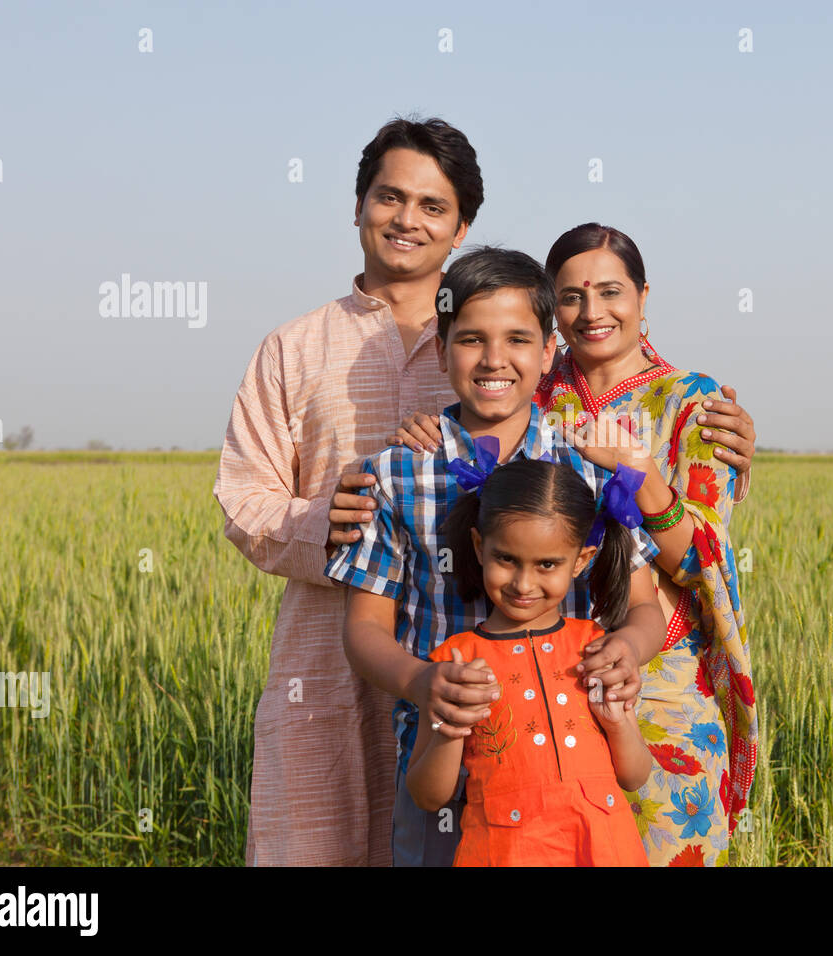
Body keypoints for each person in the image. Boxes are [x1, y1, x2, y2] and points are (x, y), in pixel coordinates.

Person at [370, 224, 759, 866]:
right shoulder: (546, 400)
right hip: (538, 693)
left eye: (611, 291)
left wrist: (638, 473)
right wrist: (423, 431)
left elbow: (698, 559)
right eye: (571, 296)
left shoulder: (695, 403)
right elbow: (482, 405)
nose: (592, 311)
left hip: (649, 676)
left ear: (643, 295)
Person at [323, 246, 667, 866]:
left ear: (547, 352)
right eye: (471, 339)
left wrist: (627, 650)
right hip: (442, 768)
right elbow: (364, 629)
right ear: (441, 347)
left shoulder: (590, 470)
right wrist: (423, 681)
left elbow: (644, 608)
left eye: (517, 339)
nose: (494, 360)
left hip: (572, 780)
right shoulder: (396, 476)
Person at [211, 116, 486, 865]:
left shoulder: (490, 345)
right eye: (389, 197)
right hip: (322, 663)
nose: (407, 219)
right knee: (314, 844)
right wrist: (323, 518)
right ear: (358, 204)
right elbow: (244, 497)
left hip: (458, 659)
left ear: (462, 227)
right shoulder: (292, 348)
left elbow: (580, 426)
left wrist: (709, 419)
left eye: (433, 206)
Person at [407, 457, 653, 866]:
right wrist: (450, 731)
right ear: (478, 547)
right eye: (506, 559)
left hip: (605, 849)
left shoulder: (597, 650)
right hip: (504, 853)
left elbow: (634, 775)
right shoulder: (455, 662)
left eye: (547, 565)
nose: (523, 583)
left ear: (581, 560)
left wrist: (618, 723)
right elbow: (427, 795)